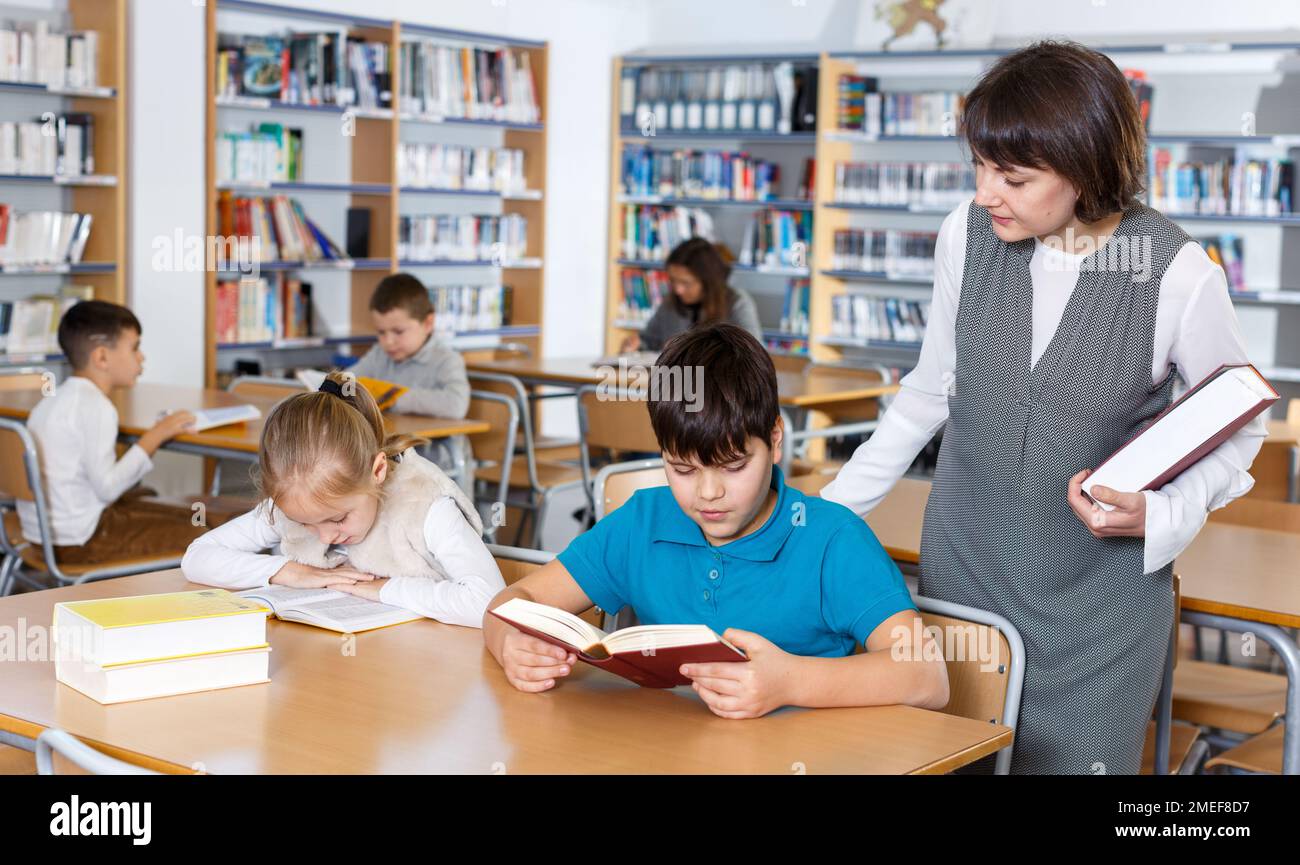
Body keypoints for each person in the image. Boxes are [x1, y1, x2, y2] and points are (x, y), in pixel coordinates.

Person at [821, 41, 1266, 774]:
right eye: (980, 166)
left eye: (1014, 177)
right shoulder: (966, 238)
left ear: (1086, 170)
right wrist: (825, 517)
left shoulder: (1176, 273)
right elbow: (929, 393)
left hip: (1099, 619)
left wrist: (1164, 510)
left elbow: (1238, 423)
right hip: (965, 593)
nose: (987, 192)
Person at [484, 323, 948, 717]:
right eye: (682, 470)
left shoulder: (830, 539)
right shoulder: (643, 522)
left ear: (775, 440)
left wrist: (788, 682)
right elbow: (514, 600)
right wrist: (510, 644)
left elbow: (926, 675)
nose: (708, 493)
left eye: (733, 467)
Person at [182, 372, 504, 626]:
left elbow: (489, 603)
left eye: (337, 519)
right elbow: (197, 558)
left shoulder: (425, 503)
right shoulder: (296, 497)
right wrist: (291, 571)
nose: (325, 535)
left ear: (377, 471)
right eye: (303, 523)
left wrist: (386, 589)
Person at [17, 301, 221, 565]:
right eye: (135, 347)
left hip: (42, 537)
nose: (142, 357)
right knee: (199, 532)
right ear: (101, 357)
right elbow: (108, 489)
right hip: (82, 542)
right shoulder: (96, 407)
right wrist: (156, 435)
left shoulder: (52, 401)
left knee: (146, 496)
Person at [621, 238, 763, 352]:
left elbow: (753, 354)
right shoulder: (670, 303)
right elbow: (649, 340)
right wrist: (637, 345)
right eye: (673, 281)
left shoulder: (737, 303)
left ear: (707, 281)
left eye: (686, 283)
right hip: (675, 383)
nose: (678, 290)